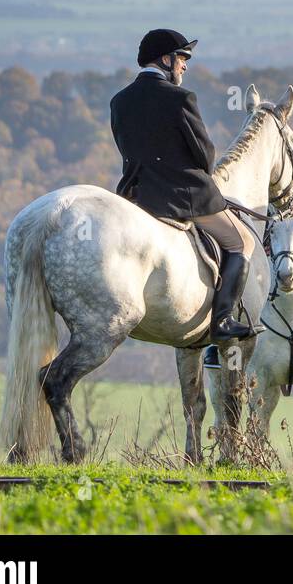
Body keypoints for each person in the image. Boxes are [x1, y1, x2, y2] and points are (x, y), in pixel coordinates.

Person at [110, 29, 257, 347]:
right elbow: (205, 153)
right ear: (166, 59)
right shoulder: (181, 98)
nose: (185, 66)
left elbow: (126, 149)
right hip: (181, 197)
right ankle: (223, 320)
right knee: (242, 242)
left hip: (136, 195)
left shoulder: (119, 101)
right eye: (183, 59)